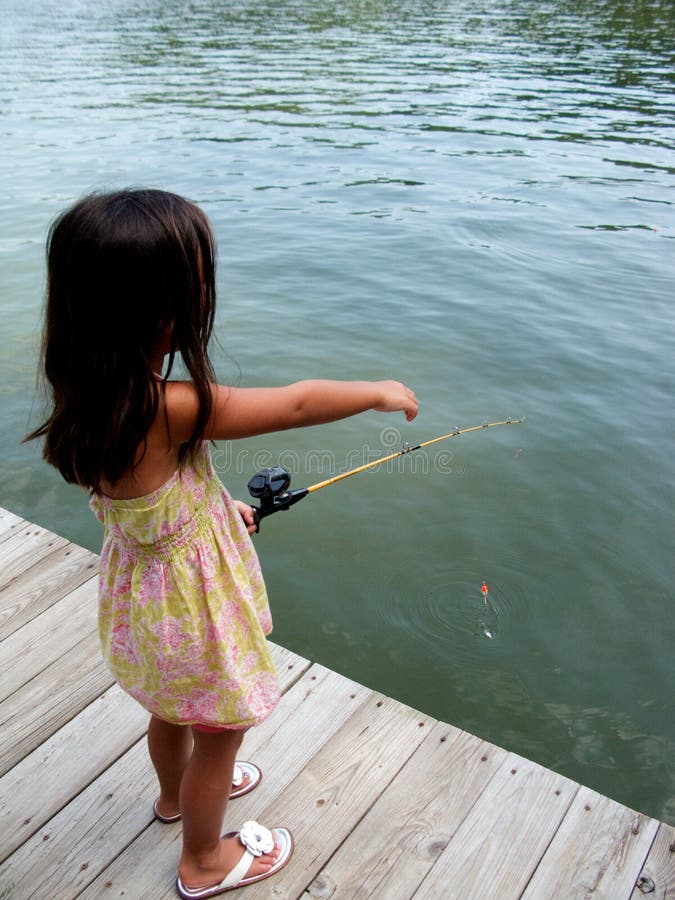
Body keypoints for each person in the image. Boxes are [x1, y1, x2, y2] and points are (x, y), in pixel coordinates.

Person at [26, 189, 418, 898]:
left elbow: (147, 499)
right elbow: (295, 403)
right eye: (198, 280)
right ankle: (203, 861)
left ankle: (174, 798)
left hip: (147, 609)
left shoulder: (85, 394)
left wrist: (212, 510)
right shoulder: (167, 406)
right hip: (195, 617)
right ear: (163, 310)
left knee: (170, 711)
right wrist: (373, 391)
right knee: (218, 736)